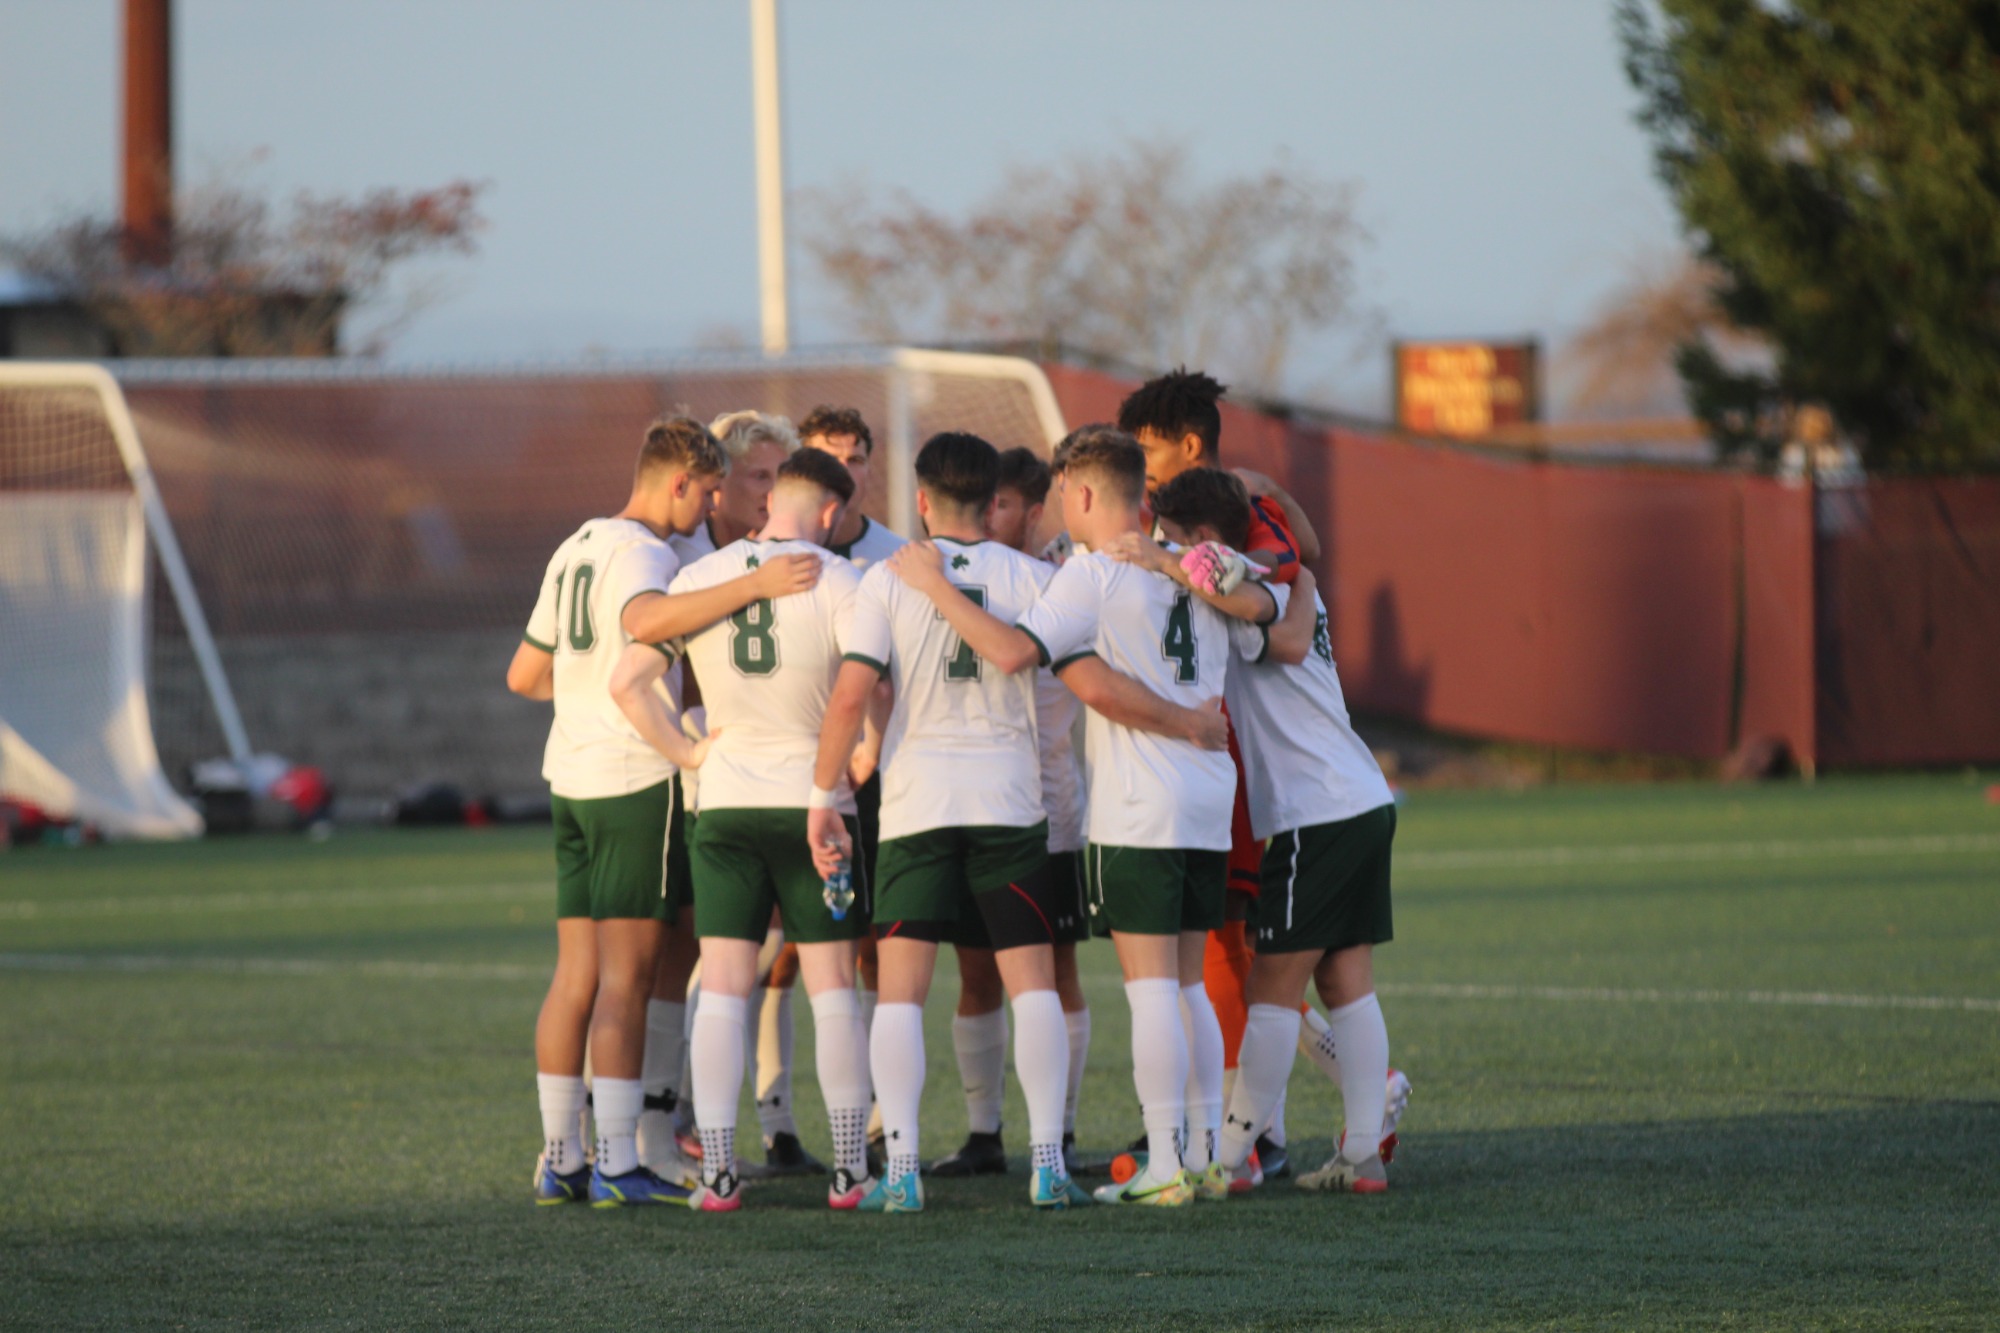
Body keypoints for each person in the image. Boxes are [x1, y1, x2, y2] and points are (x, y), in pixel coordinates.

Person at [885, 428, 1267, 1207]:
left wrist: (936, 587)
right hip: (1207, 795)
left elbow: (1015, 652)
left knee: (1152, 987)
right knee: (1190, 983)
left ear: (1086, 494)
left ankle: (1165, 1160)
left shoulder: (1089, 575)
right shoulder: (1201, 564)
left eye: (1064, 492)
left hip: (1141, 805)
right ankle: (1201, 1154)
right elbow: (1268, 605)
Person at [1144, 465, 1407, 1194]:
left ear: (1200, 539)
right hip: (1358, 798)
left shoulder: (1242, 582)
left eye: (1170, 536)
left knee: (1270, 990)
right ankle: (1363, 1154)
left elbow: (1262, 619)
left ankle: (1227, 1157)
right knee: (1346, 979)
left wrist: (1153, 559)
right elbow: (1289, 581)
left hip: (1312, 811)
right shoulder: (1287, 577)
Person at [508, 415, 741, 1207]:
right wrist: (747, 587)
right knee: (627, 980)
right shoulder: (646, 551)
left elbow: (524, 675)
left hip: (568, 777)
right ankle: (615, 1162)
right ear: (677, 481)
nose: (711, 510)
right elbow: (646, 623)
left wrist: (580, 693)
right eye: (708, 493)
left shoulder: (575, 543)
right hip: (634, 781)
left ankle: (561, 1156)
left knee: (575, 974)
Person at [1116, 368, 1318, 1173]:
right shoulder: (1160, 514)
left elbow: (1284, 566)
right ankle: (1210, 1122)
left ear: (1190, 447)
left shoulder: (1236, 509)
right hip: (1191, 754)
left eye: (1149, 450)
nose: (1140, 467)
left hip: (1232, 749)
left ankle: (1247, 1127)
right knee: (1210, 950)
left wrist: (1176, 559)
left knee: (1227, 946)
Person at [669, 449, 876, 1212]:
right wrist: (849, 768)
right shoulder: (843, 578)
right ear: (828, 512)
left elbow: (634, 665)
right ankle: (850, 1171)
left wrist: (687, 749)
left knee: (723, 991)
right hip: (816, 804)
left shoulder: (701, 578)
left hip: (722, 801)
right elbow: (864, 690)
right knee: (832, 993)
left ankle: (720, 1175)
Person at [929, 447, 1094, 1180]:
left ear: (1031, 513)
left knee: (1055, 971)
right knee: (976, 973)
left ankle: (1057, 1130)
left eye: (1000, 504)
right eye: (981, 501)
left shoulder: (1052, 589)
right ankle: (983, 1132)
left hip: (1048, 809)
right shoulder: (945, 582)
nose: (985, 515)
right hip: (971, 804)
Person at [800, 405, 908, 567]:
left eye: (855, 461)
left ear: (869, 472)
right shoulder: (776, 554)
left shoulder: (898, 556)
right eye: (830, 459)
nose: (844, 471)